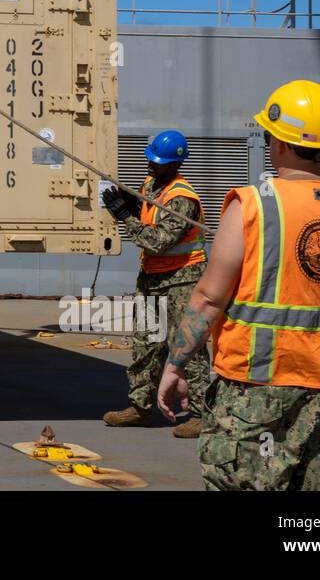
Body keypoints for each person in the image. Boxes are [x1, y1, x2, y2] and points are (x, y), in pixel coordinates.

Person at [157, 80, 320, 490]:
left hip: (253, 389)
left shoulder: (253, 204)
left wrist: (176, 364)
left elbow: (210, 297)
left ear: (277, 143)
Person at [100, 129, 210, 438]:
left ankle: (201, 414)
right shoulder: (151, 185)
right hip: (153, 278)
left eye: (159, 162)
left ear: (175, 165)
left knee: (188, 346)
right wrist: (131, 206)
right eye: (150, 158)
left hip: (182, 280)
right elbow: (148, 213)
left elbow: (158, 240)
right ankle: (140, 407)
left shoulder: (182, 199)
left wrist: (126, 217)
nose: (152, 165)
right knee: (145, 344)